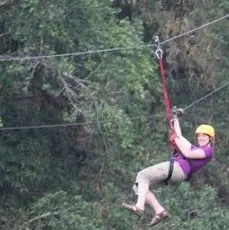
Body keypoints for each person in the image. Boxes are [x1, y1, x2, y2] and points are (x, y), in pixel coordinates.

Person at [121, 116, 215, 226]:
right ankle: (160, 211)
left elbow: (187, 153)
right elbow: (179, 136)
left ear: (211, 138)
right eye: (199, 135)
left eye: (204, 136)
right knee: (138, 186)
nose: (201, 138)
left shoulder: (208, 150)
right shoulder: (195, 147)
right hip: (178, 174)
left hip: (178, 168)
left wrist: (175, 138)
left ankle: (139, 207)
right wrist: (175, 119)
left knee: (142, 175)